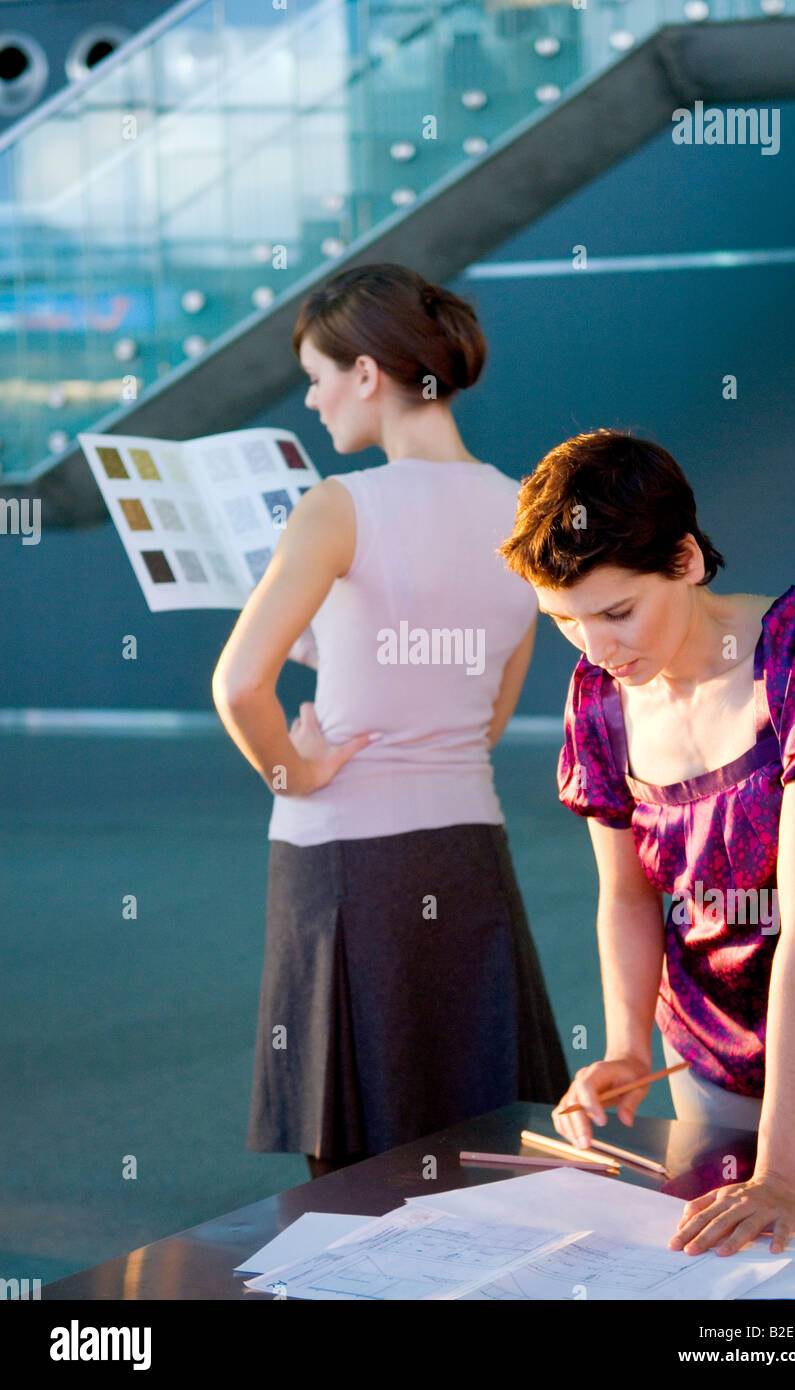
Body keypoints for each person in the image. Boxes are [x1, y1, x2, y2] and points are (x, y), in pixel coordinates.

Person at [212, 263, 568, 1178]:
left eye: (319, 375)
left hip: (343, 862)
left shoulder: (338, 506)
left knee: (354, 1169)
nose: (312, 397)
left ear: (367, 373)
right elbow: (482, 714)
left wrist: (298, 768)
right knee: (482, 1143)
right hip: (466, 852)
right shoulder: (524, 509)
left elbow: (239, 684)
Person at [499, 428, 795, 1255]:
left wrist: (779, 1173)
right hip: (706, 1049)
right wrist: (626, 1046)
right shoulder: (597, 694)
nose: (595, 648)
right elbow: (626, 895)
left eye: (616, 612)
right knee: (732, 1279)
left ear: (687, 561)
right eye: (563, 620)